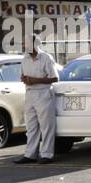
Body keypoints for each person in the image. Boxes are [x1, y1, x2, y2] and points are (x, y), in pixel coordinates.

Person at [16, 35, 60, 164]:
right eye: (24, 44)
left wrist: (35, 80)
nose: (25, 46)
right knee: (31, 127)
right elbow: (22, 76)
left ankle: (47, 154)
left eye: (27, 43)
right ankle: (30, 154)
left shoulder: (46, 58)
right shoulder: (25, 59)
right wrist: (26, 80)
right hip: (30, 94)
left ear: (35, 44)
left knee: (46, 126)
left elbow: (55, 78)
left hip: (44, 93)